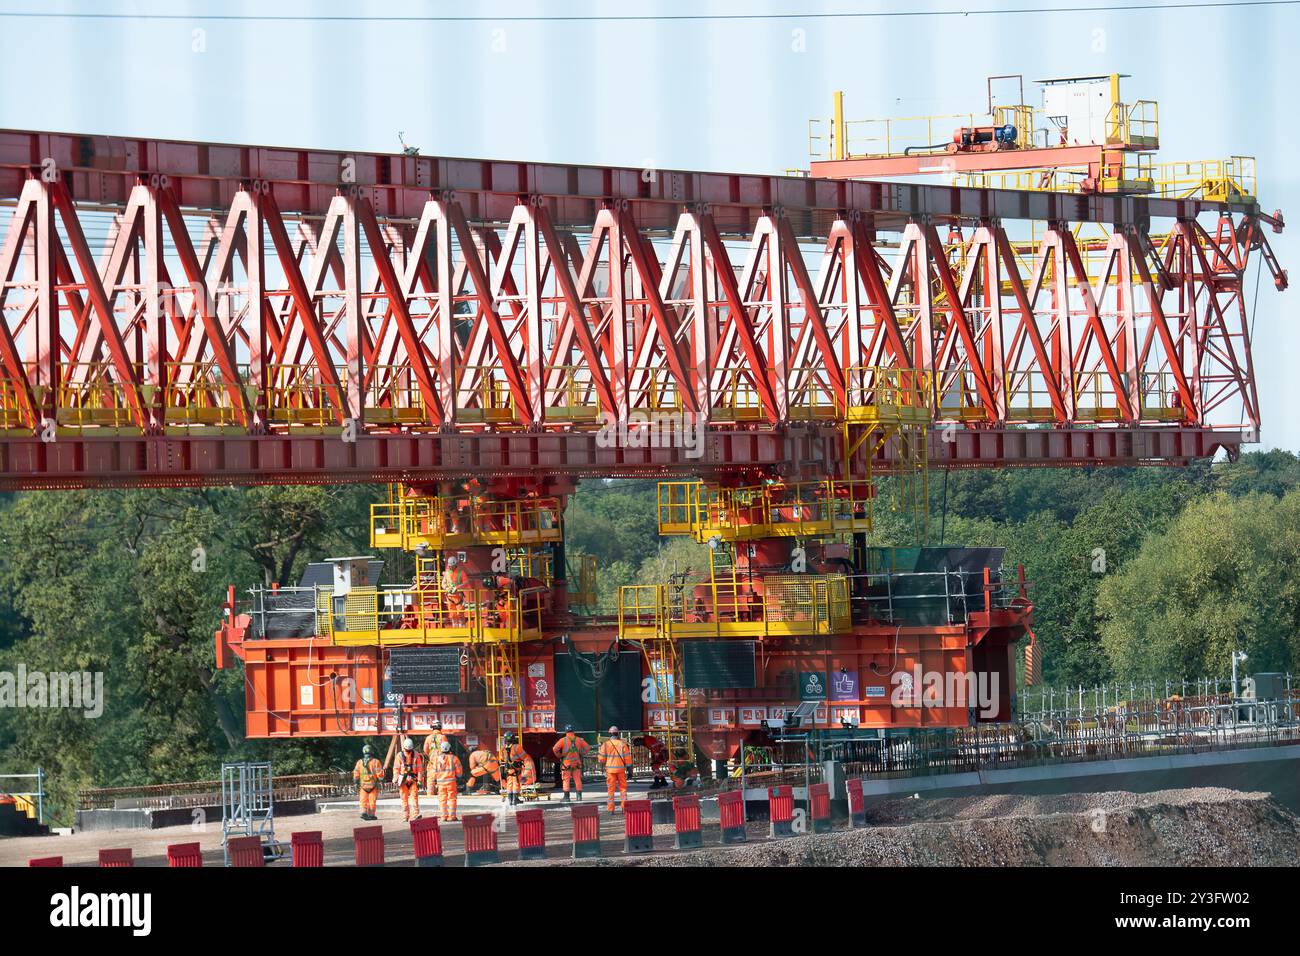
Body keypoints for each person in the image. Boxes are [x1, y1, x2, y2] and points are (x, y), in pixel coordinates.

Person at [597, 726, 633, 812]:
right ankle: (624, 808)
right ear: (618, 734)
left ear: (609, 734)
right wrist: (629, 770)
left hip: (610, 771)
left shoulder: (605, 745)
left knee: (610, 790)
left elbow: (601, 759)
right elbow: (628, 759)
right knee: (623, 789)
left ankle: (611, 809)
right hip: (620, 770)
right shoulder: (622, 744)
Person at [551, 725, 590, 802]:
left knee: (566, 780)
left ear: (566, 731)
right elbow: (587, 748)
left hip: (566, 764)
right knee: (577, 780)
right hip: (577, 764)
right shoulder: (579, 740)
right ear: (573, 731)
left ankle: (566, 797)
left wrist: (559, 756)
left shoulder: (563, 740)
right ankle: (579, 797)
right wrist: (582, 753)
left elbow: (555, 749)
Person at [430, 740, 463, 822]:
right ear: (449, 748)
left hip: (441, 783)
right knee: (452, 799)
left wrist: (434, 781)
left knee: (442, 800)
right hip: (451, 783)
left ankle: (444, 816)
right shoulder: (454, 758)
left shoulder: (437, 759)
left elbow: (433, 772)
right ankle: (452, 816)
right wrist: (459, 777)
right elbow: (459, 772)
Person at [394, 736, 425, 822]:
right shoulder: (399, 756)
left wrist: (419, 780)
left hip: (412, 779)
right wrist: (396, 780)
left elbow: (419, 769)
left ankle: (415, 814)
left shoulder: (416, 755)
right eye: (407, 751)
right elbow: (396, 769)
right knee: (404, 799)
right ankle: (405, 816)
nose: (408, 752)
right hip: (403, 780)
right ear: (404, 748)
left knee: (414, 797)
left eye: (410, 750)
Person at [352, 743, 383, 821]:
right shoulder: (376, 762)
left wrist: (355, 781)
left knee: (363, 800)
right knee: (372, 801)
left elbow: (356, 773)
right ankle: (371, 815)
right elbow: (380, 774)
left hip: (363, 786)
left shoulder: (359, 762)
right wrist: (381, 780)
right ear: (372, 751)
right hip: (373, 785)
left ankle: (363, 813)